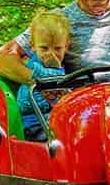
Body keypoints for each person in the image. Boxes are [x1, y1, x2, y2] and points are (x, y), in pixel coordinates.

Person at [16, 10, 71, 141]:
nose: (50, 54)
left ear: (66, 46)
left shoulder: (61, 68)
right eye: (44, 48)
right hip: (34, 124)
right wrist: (56, 71)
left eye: (57, 48)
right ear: (33, 46)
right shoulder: (33, 67)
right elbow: (24, 103)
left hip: (55, 120)